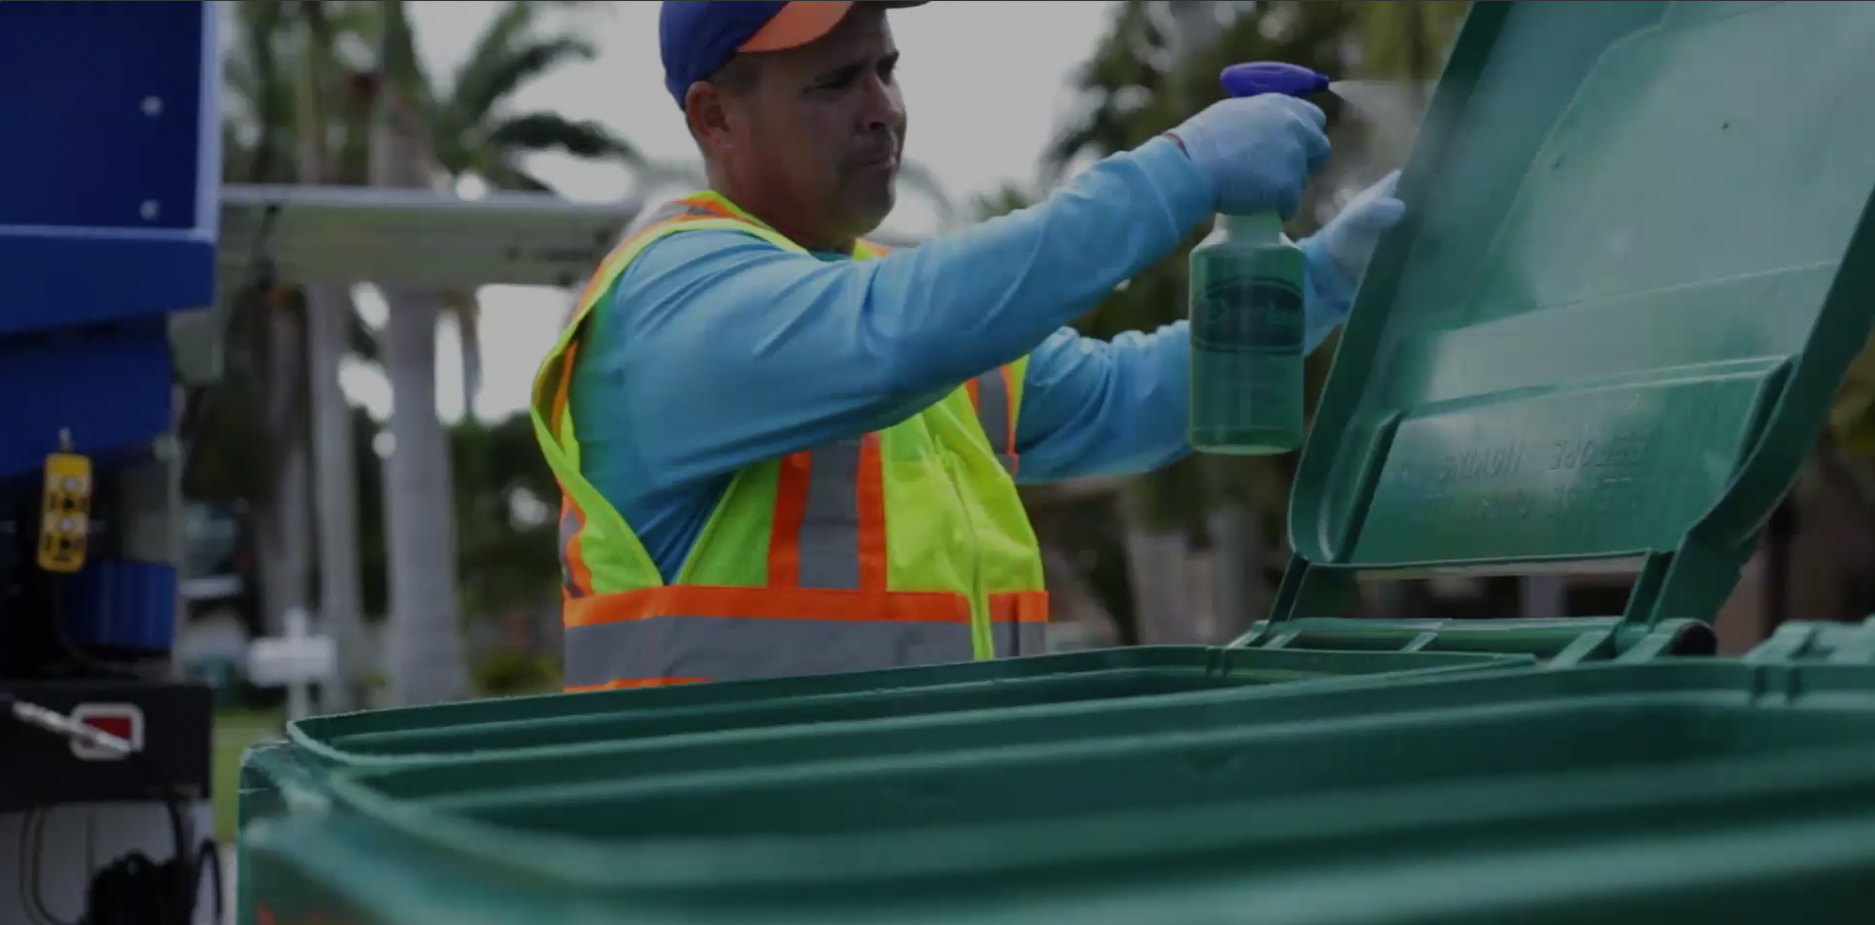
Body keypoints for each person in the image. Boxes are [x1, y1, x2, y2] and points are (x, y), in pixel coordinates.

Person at [531, 0, 1406, 692]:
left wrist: (1328, 276)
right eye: (833, 83)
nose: (881, 110)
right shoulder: (672, 297)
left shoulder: (871, 303)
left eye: (885, 69)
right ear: (714, 117)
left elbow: (1123, 399)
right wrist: (1180, 170)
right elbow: (898, 329)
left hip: (908, 851)